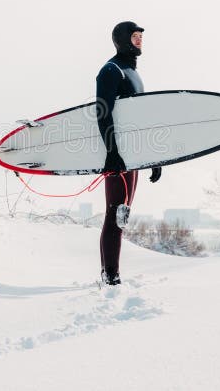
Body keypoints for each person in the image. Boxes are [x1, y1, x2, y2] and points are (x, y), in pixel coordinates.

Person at [96, 20, 162, 286]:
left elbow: (138, 121)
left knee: (122, 214)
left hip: (132, 157)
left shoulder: (133, 73)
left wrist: (153, 158)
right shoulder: (111, 71)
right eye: (135, 36)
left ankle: (112, 273)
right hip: (117, 156)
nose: (140, 40)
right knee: (115, 213)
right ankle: (110, 276)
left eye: (141, 37)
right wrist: (112, 153)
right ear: (122, 39)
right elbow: (103, 113)